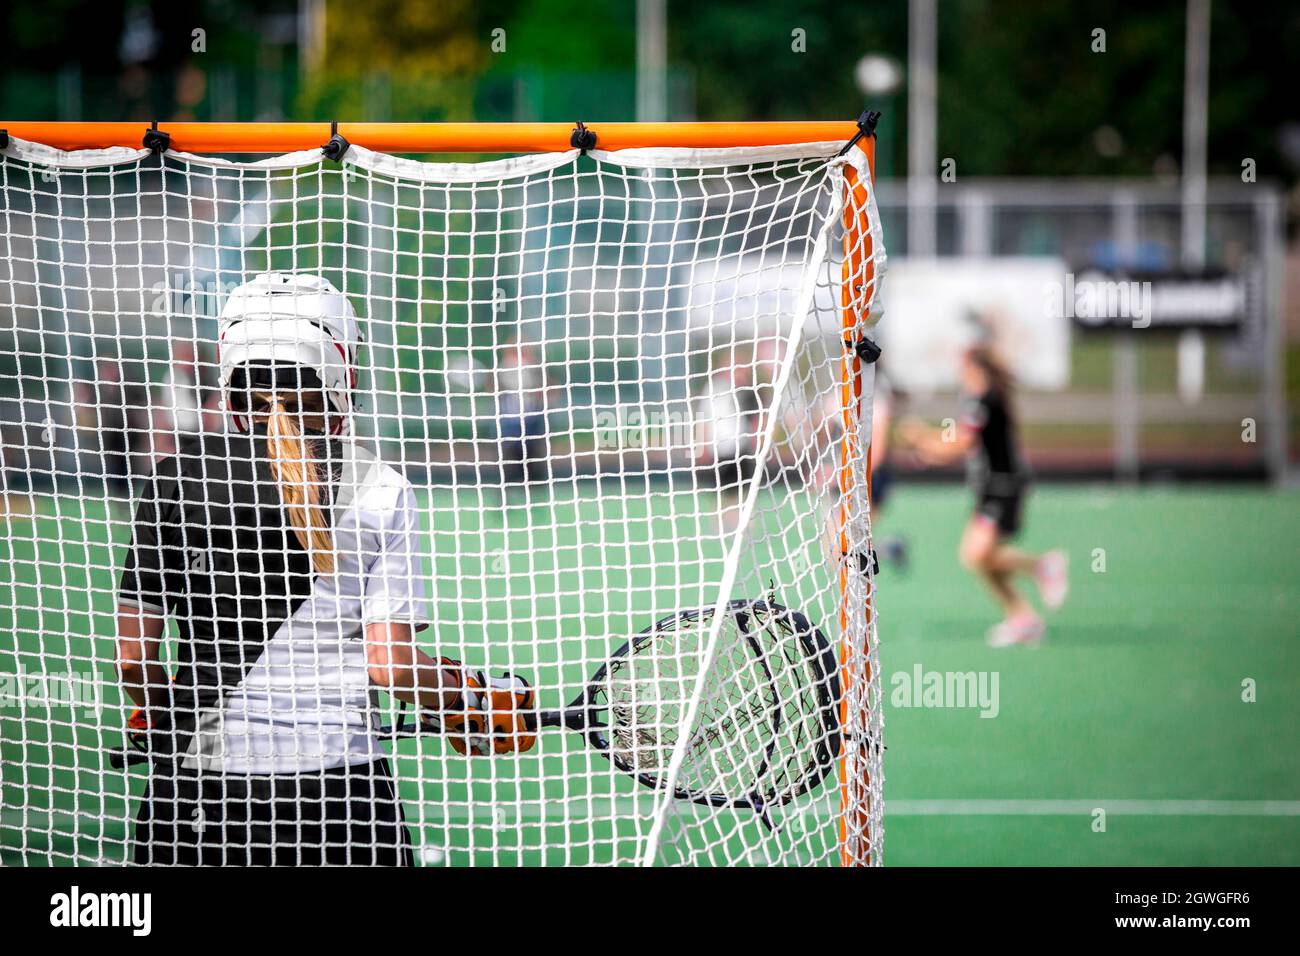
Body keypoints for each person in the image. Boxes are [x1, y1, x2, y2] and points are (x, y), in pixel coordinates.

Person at [115, 272, 536, 865]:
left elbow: (133, 659)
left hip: (196, 797)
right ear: (341, 368)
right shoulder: (378, 486)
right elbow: (389, 666)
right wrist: (465, 700)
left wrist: (158, 710)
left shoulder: (173, 478)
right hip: (339, 799)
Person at [901, 343, 1067, 646]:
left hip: (1004, 487)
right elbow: (959, 440)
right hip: (989, 488)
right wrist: (930, 448)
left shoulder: (986, 398)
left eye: (962, 367)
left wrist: (925, 440)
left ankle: (1042, 567)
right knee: (978, 558)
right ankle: (1023, 617)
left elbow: (962, 442)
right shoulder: (975, 399)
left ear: (975, 368)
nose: (958, 372)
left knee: (975, 554)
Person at [692, 349, 763, 535]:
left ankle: (742, 525)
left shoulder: (747, 391)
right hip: (719, 446)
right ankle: (720, 525)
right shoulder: (714, 388)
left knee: (742, 490)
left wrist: (757, 443)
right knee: (722, 490)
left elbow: (755, 420)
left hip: (741, 446)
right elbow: (703, 419)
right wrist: (701, 446)